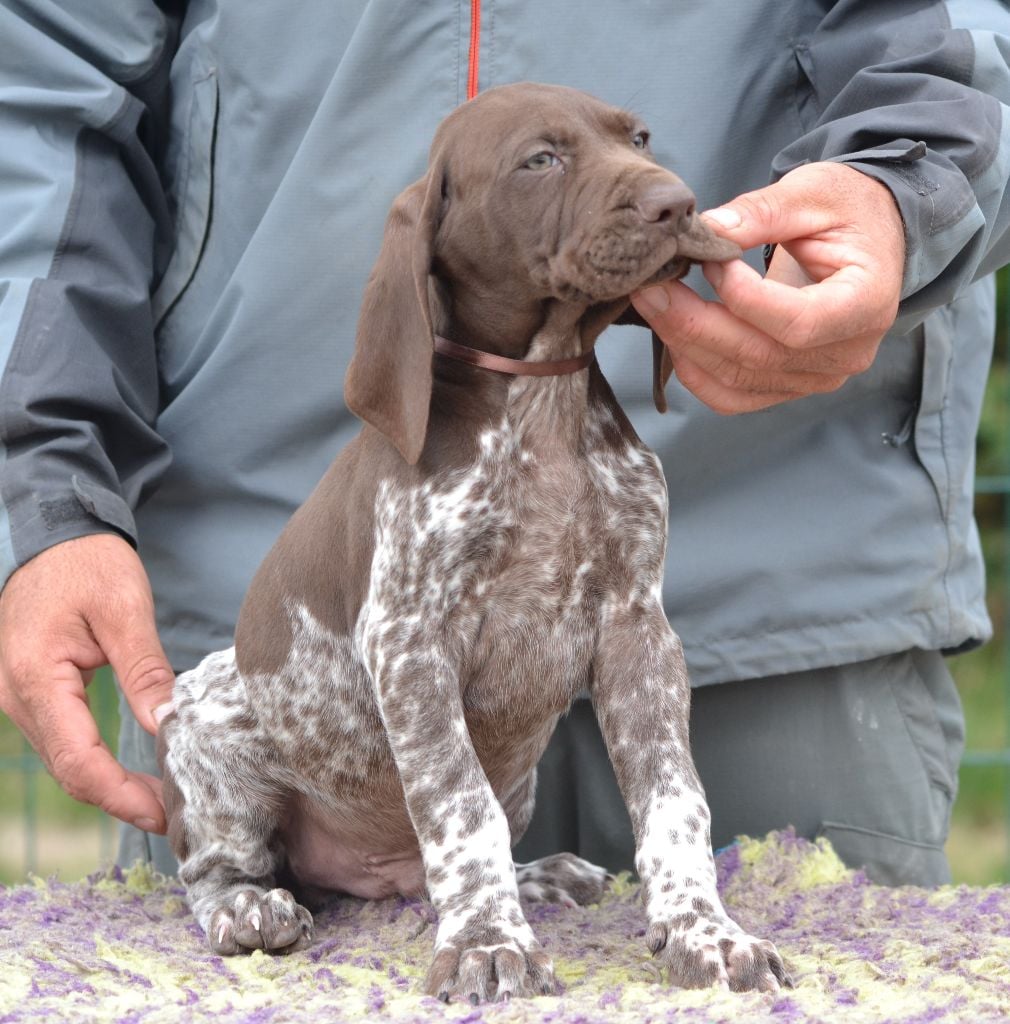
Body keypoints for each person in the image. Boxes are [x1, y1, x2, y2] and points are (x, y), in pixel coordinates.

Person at [1, 0, 1008, 887]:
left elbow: (964, 36)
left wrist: (899, 190)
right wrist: (49, 484)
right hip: (284, 674)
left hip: (786, 587)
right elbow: (48, 87)